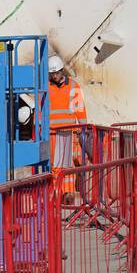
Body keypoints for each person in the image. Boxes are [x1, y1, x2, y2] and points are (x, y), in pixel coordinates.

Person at [48, 56, 87, 187]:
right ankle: (57, 192)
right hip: (53, 133)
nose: (54, 76)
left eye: (57, 73)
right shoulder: (46, 88)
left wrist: (84, 128)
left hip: (68, 132)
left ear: (62, 71)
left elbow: (80, 110)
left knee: (69, 164)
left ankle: (68, 193)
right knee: (55, 165)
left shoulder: (73, 86)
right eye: (52, 74)